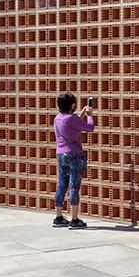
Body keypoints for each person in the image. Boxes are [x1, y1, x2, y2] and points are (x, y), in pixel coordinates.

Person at [52, 93, 95, 228]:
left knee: (62, 185)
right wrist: (89, 116)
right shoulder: (71, 119)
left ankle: (58, 217)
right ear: (72, 105)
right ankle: (74, 219)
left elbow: (72, 123)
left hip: (61, 154)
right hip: (74, 155)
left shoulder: (58, 118)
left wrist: (82, 112)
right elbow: (90, 128)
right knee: (74, 186)